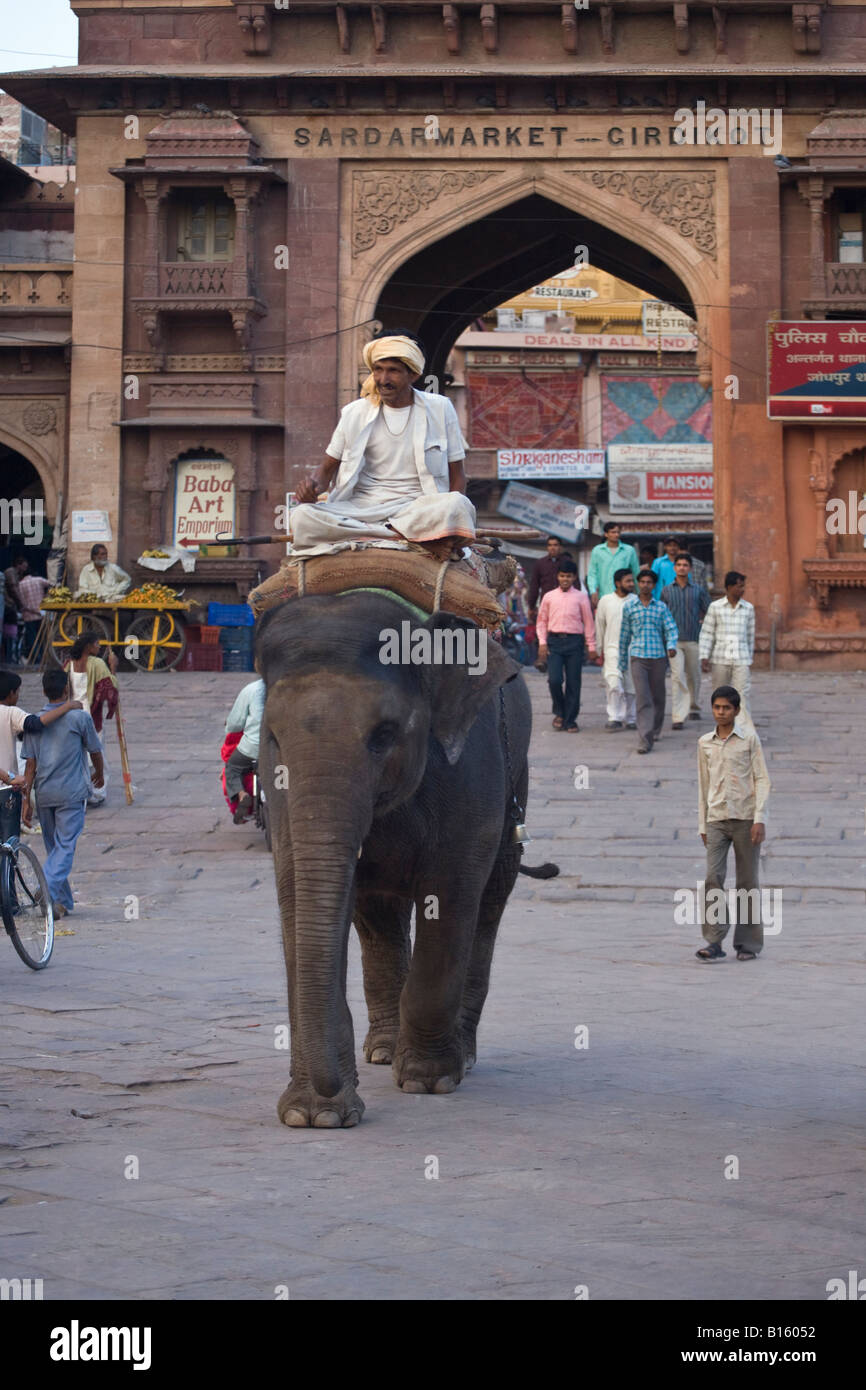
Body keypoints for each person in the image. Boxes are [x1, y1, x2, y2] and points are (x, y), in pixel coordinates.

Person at [290, 330, 475, 561]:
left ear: (413, 374)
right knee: (301, 516)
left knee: (458, 503)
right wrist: (312, 487)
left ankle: (380, 537)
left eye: (393, 371)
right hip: (361, 510)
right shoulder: (354, 413)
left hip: (417, 509)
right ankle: (405, 539)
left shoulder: (440, 408)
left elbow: (458, 476)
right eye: (378, 369)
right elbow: (326, 470)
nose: (383, 379)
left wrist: (447, 519)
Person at [696, 685, 771, 962]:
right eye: (717, 707)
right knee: (712, 879)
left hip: (745, 819)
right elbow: (703, 785)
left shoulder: (749, 739)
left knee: (747, 882)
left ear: (737, 711)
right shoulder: (705, 743)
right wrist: (702, 825)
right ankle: (714, 940)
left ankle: (748, 944)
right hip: (716, 819)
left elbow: (762, 779)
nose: (721, 712)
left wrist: (759, 819)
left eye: (727, 708)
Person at [20, 668, 103, 918]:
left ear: (44, 691)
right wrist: (98, 772)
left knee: (55, 849)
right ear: (67, 690)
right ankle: (45, 885)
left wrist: (27, 800)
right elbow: (94, 750)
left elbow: (30, 765)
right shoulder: (79, 718)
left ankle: (58, 902)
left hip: (44, 793)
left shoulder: (35, 721)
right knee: (65, 847)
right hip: (71, 792)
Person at [0, 671, 82, 844]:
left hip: (9, 784)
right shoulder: (9, 713)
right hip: (6, 789)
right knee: (9, 845)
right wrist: (67, 707)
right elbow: (35, 724)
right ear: (11, 694)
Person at [618, 568, 678, 753]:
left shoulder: (660, 607)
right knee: (643, 698)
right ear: (638, 583)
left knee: (658, 697)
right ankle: (645, 739)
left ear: (654, 585)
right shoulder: (630, 607)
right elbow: (624, 635)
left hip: (658, 657)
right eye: (642, 582)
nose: (645, 585)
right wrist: (621, 661)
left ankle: (656, 728)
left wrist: (672, 645)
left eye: (649, 582)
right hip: (638, 658)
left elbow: (671, 628)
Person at [536, 558, 596, 732]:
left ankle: (570, 720)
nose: (565, 579)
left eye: (568, 576)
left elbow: (589, 623)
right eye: (562, 576)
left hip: (574, 642)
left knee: (573, 682)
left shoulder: (581, 597)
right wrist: (542, 642)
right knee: (554, 680)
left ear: (574, 577)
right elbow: (541, 621)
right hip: (554, 642)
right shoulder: (549, 597)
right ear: (557, 576)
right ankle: (559, 712)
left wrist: (591, 646)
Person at [63, 631, 119, 806]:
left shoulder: (68, 664)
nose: (99, 646)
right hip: (90, 716)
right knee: (97, 752)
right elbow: (111, 688)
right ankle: (96, 792)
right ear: (88, 646)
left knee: (77, 754)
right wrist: (113, 668)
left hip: (71, 715)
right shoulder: (97, 663)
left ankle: (82, 790)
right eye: (97, 644)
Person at [699, 571, 756, 735]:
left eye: (743, 586)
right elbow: (707, 632)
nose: (742, 589)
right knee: (720, 695)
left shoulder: (748, 608)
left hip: (741, 658)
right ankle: (723, 728)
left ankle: (743, 731)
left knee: (742, 695)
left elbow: (750, 635)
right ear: (729, 587)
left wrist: (749, 657)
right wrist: (704, 656)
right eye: (740, 586)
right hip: (720, 657)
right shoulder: (715, 607)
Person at [660, 553, 711, 729]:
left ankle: (694, 706)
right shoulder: (666, 590)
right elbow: (661, 614)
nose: (682, 567)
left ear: (690, 568)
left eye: (685, 565)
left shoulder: (698, 590)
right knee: (677, 677)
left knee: (694, 676)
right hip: (673, 641)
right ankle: (678, 716)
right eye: (679, 565)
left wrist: (703, 624)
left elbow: (709, 612)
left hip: (693, 639)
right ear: (674, 568)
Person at [595, 567, 637, 731]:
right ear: (618, 583)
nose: (631, 584)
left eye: (632, 581)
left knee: (632, 686)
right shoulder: (605, 600)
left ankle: (631, 717)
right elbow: (600, 627)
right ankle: (615, 716)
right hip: (612, 648)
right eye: (628, 581)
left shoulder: (636, 600)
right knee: (613, 683)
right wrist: (599, 651)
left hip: (633, 649)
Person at [224, 678, 266, 823]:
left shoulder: (252, 689)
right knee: (284, 771)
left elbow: (235, 723)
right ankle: (284, 793)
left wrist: (228, 727)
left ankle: (242, 795)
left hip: (253, 747)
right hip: (283, 748)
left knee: (232, 768)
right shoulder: (293, 685)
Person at [587, 522, 640, 608]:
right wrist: (593, 591)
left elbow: (636, 573)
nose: (616, 535)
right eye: (613, 532)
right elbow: (592, 573)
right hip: (604, 595)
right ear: (606, 534)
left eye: (618, 532)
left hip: (625, 596)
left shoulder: (629, 550)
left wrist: (639, 593)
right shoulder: (597, 550)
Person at [528, 536, 573, 619]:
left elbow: (575, 582)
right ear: (547, 547)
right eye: (550, 545)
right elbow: (534, 586)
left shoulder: (567, 561)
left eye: (555, 545)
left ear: (560, 547)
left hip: (565, 602)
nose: (552, 548)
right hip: (546, 602)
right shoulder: (540, 563)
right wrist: (531, 606)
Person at [17, 568, 52, 659]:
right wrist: (46, 596)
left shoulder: (20, 585)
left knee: (32, 639)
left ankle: (37, 658)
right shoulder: (38, 580)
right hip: (41, 614)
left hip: (29, 615)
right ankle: (44, 657)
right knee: (42, 638)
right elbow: (52, 584)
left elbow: (21, 601)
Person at [651, 535, 681, 599]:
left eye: (674, 545)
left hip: (679, 597)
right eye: (669, 545)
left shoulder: (682, 563)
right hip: (660, 597)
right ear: (665, 547)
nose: (672, 548)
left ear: (678, 547)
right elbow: (652, 580)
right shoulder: (658, 562)